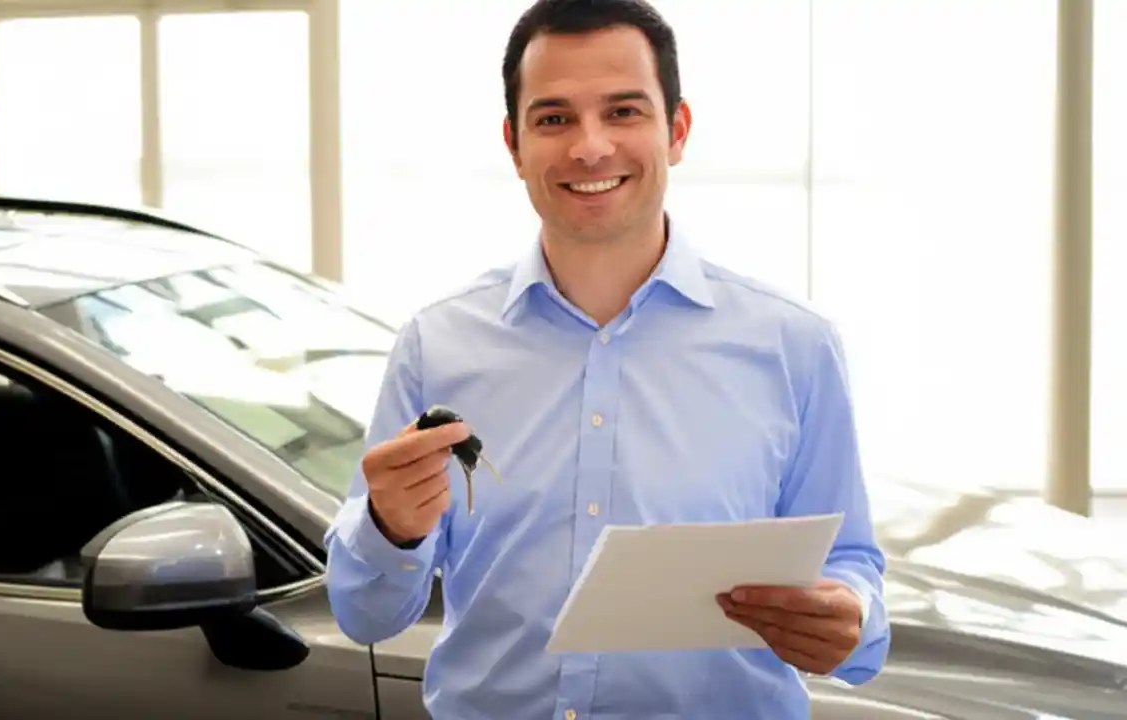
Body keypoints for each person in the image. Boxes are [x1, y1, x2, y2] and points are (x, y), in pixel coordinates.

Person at [324, 0, 891, 716]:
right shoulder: (436, 348)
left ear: (676, 130)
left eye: (623, 112)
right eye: (554, 119)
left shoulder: (793, 346)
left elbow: (851, 564)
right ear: (514, 144)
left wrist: (852, 616)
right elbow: (366, 616)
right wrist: (389, 529)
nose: (590, 148)